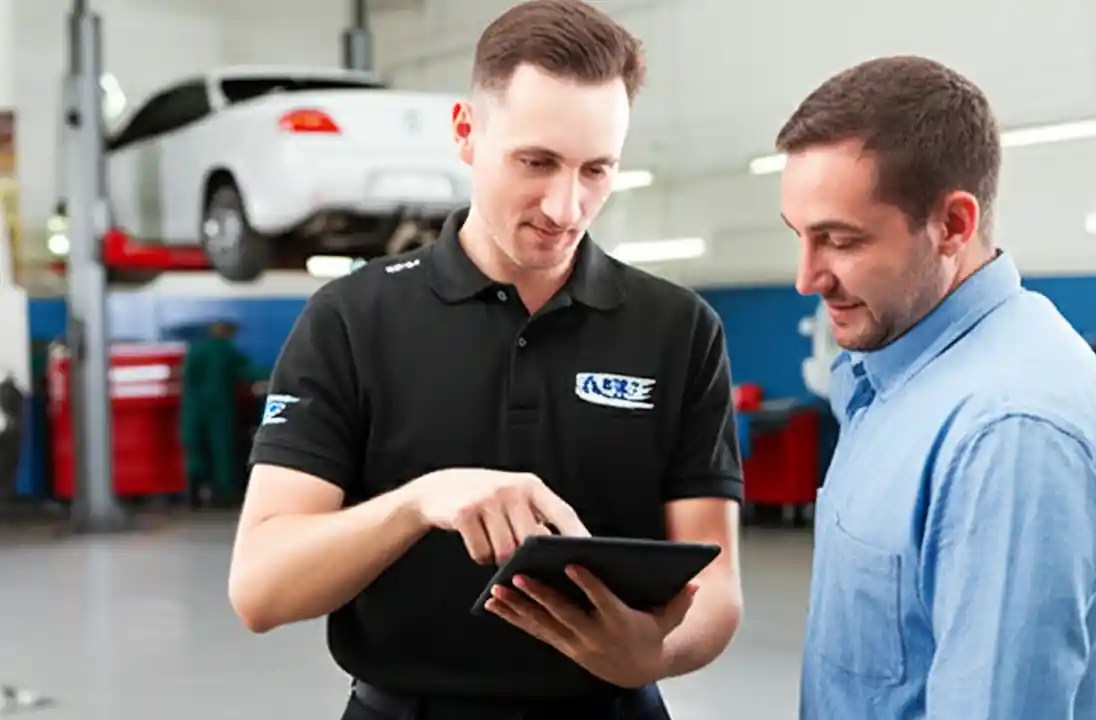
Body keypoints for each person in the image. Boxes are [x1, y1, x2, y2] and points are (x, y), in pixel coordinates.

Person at [226, 2, 744, 718]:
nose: (565, 207)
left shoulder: (678, 329)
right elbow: (261, 589)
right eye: (537, 163)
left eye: (597, 170)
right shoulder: (352, 319)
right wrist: (418, 503)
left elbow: (717, 589)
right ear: (466, 133)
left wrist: (654, 654)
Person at [775, 56, 1096, 719]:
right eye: (799, 236)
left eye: (841, 241)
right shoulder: (889, 376)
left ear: (953, 226)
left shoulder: (1011, 434)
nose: (807, 278)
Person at [179, 320, 263, 506]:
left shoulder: (196, 351)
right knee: (222, 450)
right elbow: (246, 372)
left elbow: (187, 377)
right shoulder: (226, 351)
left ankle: (194, 491)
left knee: (196, 449)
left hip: (192, 409)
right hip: (220, 409)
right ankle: (224, 494)